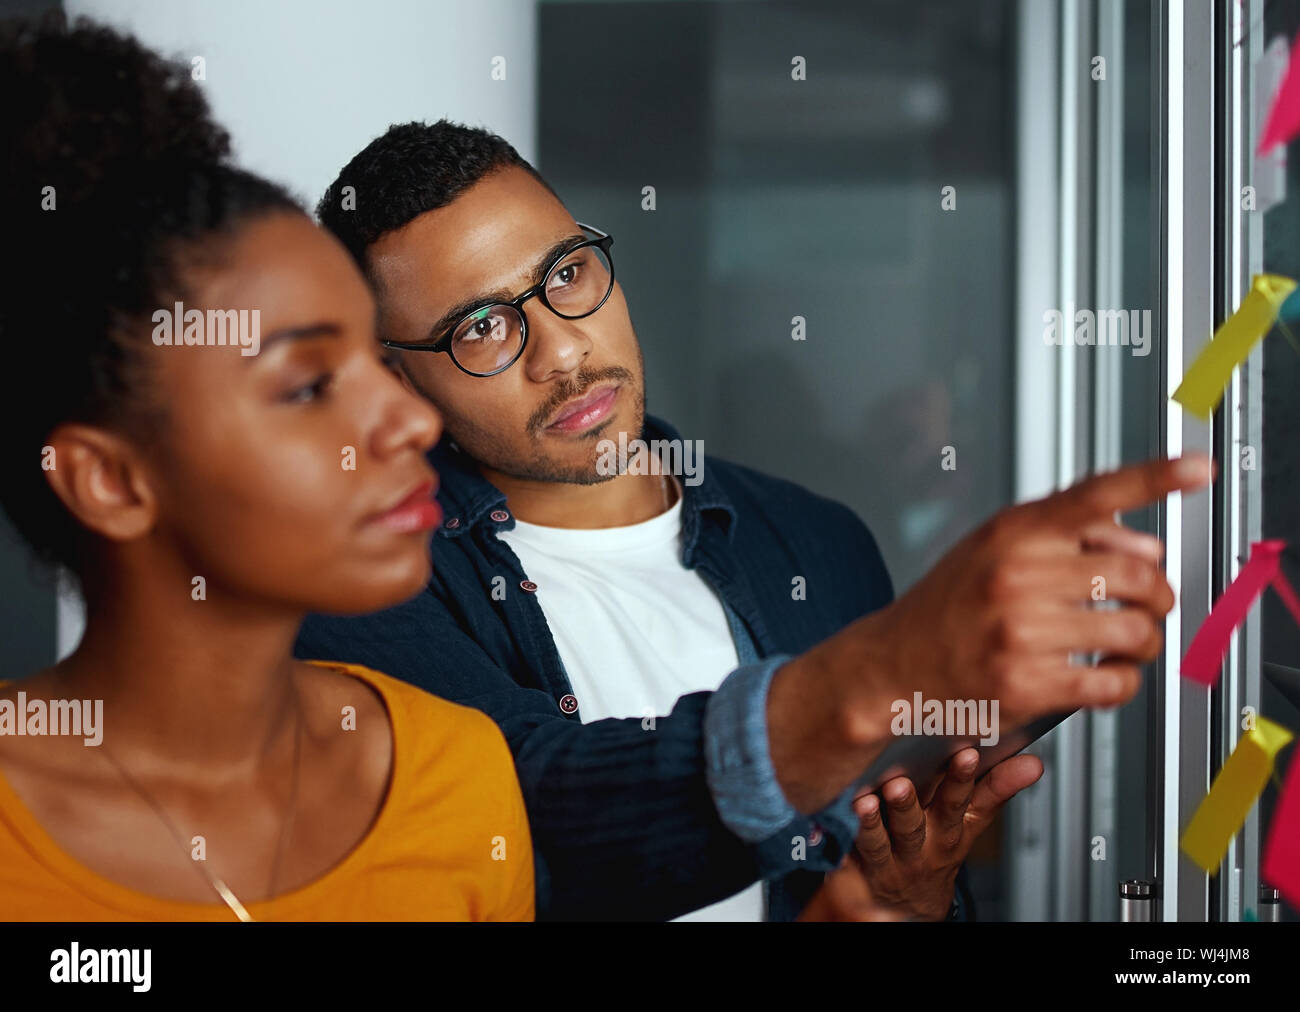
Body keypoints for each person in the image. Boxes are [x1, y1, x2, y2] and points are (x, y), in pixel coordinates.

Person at [297, 121, 1211, 921]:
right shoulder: (363, 585)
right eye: (482, 328)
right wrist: (875, 674)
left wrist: (904, 901)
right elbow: (532, 815)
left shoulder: (816, 540)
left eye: (567, 273)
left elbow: (881, 871)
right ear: (396, 376)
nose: (565, 349)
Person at [0, 19, 532, 922]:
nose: (409, 418)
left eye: (375, 358)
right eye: (308, 385)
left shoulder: (457, 775)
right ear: (111, 482)